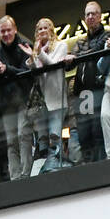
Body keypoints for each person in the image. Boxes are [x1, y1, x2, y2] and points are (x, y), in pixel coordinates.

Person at [0, 17, 34, 182]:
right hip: (6, 102)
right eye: (2, 31)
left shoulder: (24, 45)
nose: (6, 34)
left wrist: (6, 69)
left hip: (23, 98)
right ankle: (15, 175)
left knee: (24, 135)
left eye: (8, 30)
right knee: (11, 141)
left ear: (15, 29)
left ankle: (26, 173)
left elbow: (26, 73)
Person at [29, 19, 73, 171]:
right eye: (39, 28)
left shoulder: (61, 46)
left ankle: (55, 166)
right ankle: (42, 168)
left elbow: (52, 65)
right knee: (41, 137)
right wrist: (31, 58)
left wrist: (39, 53)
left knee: (55, 134)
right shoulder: (38, 50)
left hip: (56, 99)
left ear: (51, 30)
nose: (42, 31)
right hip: (41, 102)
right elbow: (36, 73)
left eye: (45, 28)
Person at [73, 1, 108, 164]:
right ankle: (88, 168)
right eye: (88, 14)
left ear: (100, 16)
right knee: (83, 133)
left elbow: (97, 50)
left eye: (94, 13)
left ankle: (101, 167)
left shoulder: (107, 35)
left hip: (99, 89)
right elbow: (69, 64)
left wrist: (77, 55)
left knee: (97, 131)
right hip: (82, 93)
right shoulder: (80, 41)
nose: (91, 16)